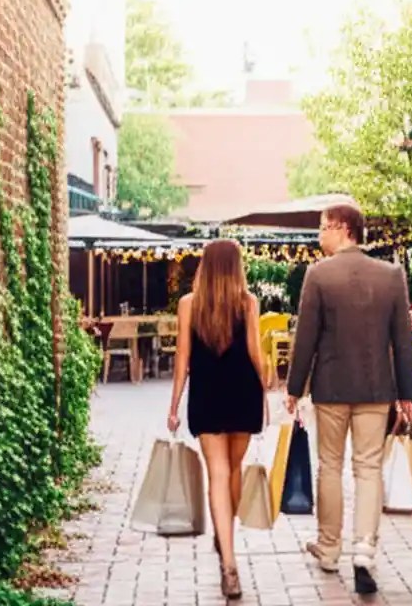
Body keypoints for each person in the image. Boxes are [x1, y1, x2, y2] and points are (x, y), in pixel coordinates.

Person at [285, 204, 412, 596]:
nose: (319, 235)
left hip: (331, 388)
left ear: (343, 228)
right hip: (377, 389)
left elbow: (305, 338)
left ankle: (328, 549)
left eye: (323, 228)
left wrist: (294, 388)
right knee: (368, 468)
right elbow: (403, 341)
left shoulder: (319, 275)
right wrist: (407, 395)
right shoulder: (391, 275)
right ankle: (364, 551)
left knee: (329, 466)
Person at [167, 239, 268, 599]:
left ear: (206, 266)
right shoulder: (248, 302)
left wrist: (174, 405)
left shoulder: (189, 305)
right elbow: (256, 354)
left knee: (219, 474)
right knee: (233, 470)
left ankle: (229, 564)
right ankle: (227, 543)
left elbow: (183, 359)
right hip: (243, 393)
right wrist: (267, 388)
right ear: (236, 266)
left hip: (207, 394)